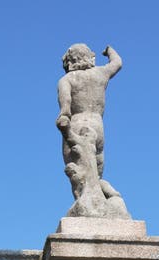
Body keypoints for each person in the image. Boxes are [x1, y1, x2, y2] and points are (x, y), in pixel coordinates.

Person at [56, 44, 129, 218]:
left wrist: (64, 120)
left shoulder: (67, 80)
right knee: (96, 171)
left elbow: (65, 107)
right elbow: (117, 62)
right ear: (90, 57)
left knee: (76, 169)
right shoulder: (101, 74)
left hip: (77, 122)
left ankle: (83, 205)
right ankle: (108, 198)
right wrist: (109, 50)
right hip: (97, 125)